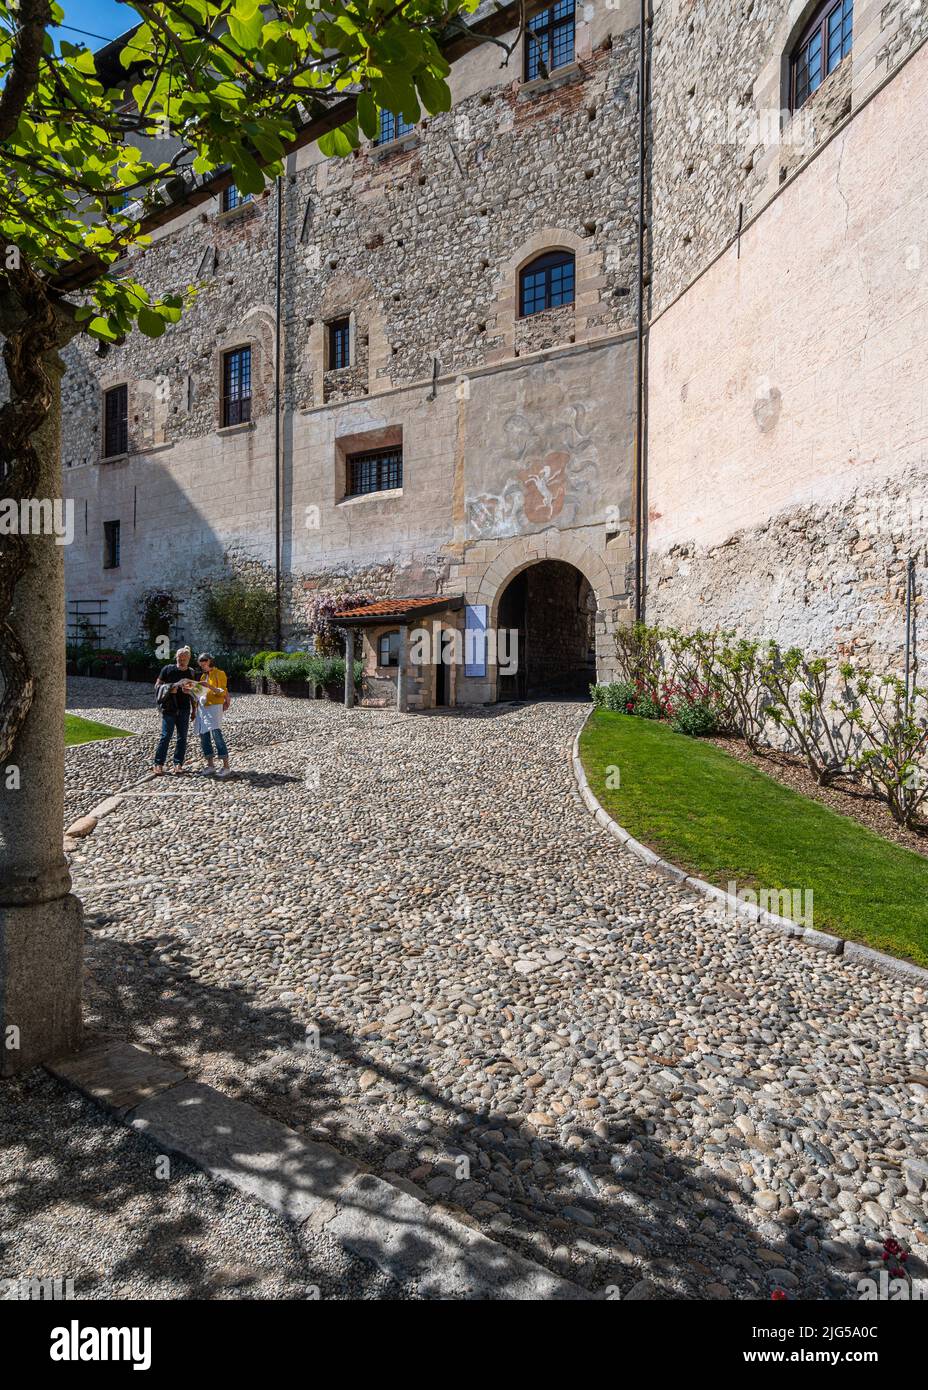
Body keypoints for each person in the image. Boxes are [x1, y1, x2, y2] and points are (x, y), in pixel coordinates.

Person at [153, 646, 197, 775]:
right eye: (180, 658)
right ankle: (158, 764)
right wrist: (169, 688)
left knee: (182, 737)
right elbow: (157, 686)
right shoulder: (167, 669)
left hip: (184, 708)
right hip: (169, 708)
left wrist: (194, 709)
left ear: (189, 659)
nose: (182, 661)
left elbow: (194, 693)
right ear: (176, 657)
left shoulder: (191, 672)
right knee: (166, 736)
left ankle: (178, 764)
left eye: (184, 659)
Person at [194, 652, 231, 777]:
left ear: (210, 661)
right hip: (202, 708)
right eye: (201, 665)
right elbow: (198, 694)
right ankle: (210, 765)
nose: (202, 667)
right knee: (204, 736)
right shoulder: (202, 677)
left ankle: (226, 766)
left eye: (204, 664)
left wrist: (209, 686)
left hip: (215, 707)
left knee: (217, 735)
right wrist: (189, 690)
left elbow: (221, 692)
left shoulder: (220, 673)